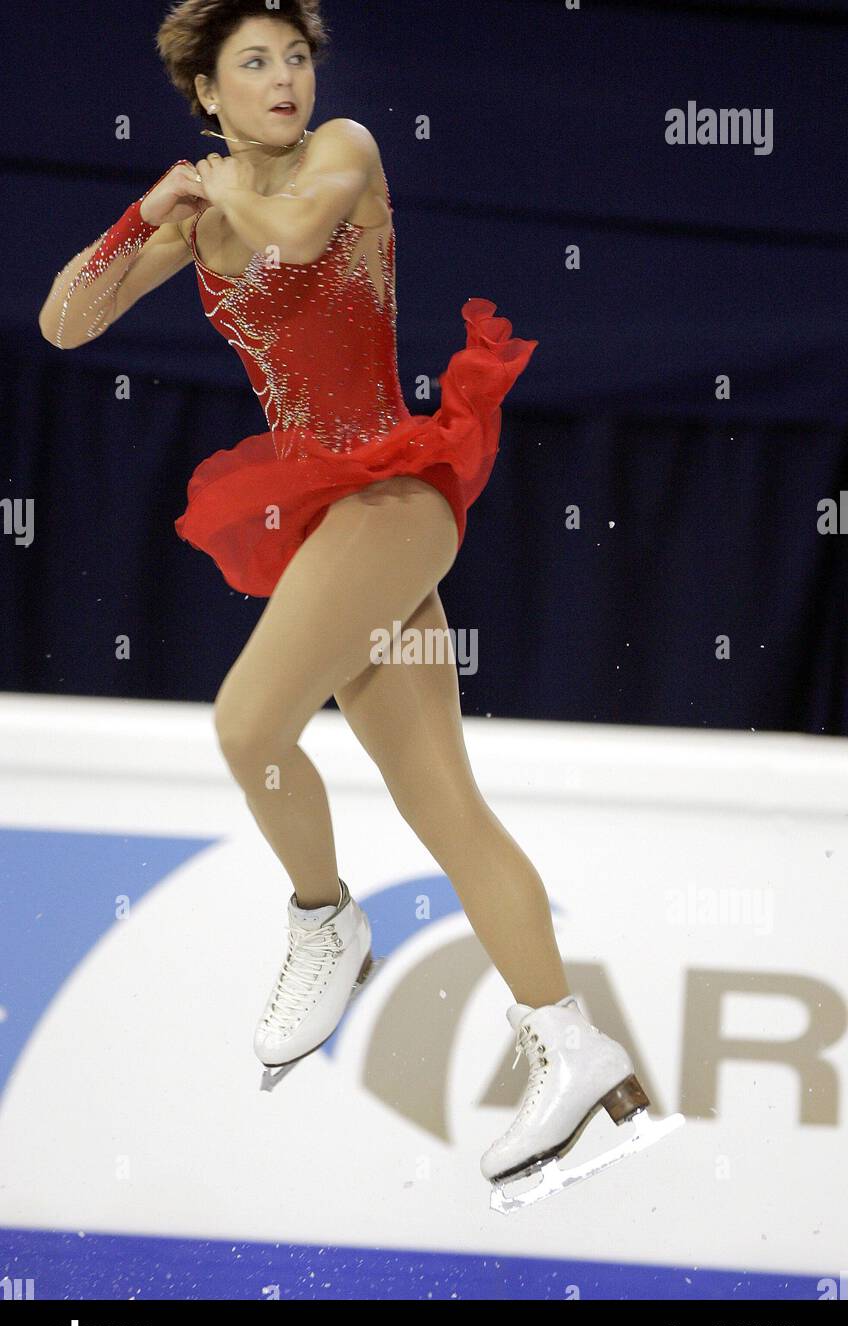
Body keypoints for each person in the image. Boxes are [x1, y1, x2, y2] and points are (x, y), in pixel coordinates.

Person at [39, 1, 676, 1205]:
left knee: (244, 723)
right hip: (329, 518)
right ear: (208, 94)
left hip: (393, 490)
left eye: (294, 57)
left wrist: (207, 199)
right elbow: (66, 321)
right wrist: (143, 215)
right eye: (255, 64)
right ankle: (573, 1048)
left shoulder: (343, 152)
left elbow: (290, 237)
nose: (285, 78)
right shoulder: (205, 202)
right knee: (443, 804)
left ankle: (324, 919)